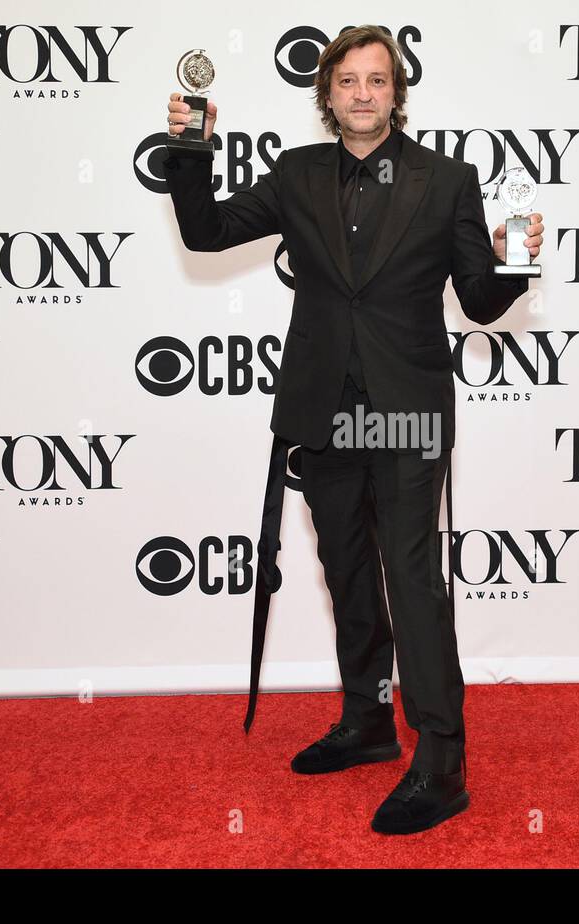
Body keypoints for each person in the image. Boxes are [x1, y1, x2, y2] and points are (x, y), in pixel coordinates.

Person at [164, 25, 542, 834]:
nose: (363, 94)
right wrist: (192, 148)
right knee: (347, 573)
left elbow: (477, 302)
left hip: (407, 410)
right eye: (348, 81)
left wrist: (514, 262)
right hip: (324, 408)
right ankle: (369, 721)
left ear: (396, 92)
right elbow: (206, 234)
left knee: (411, 578)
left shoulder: (448, 181)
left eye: (377, 80)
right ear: (327, 94)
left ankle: (442, 761)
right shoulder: (297, 175)